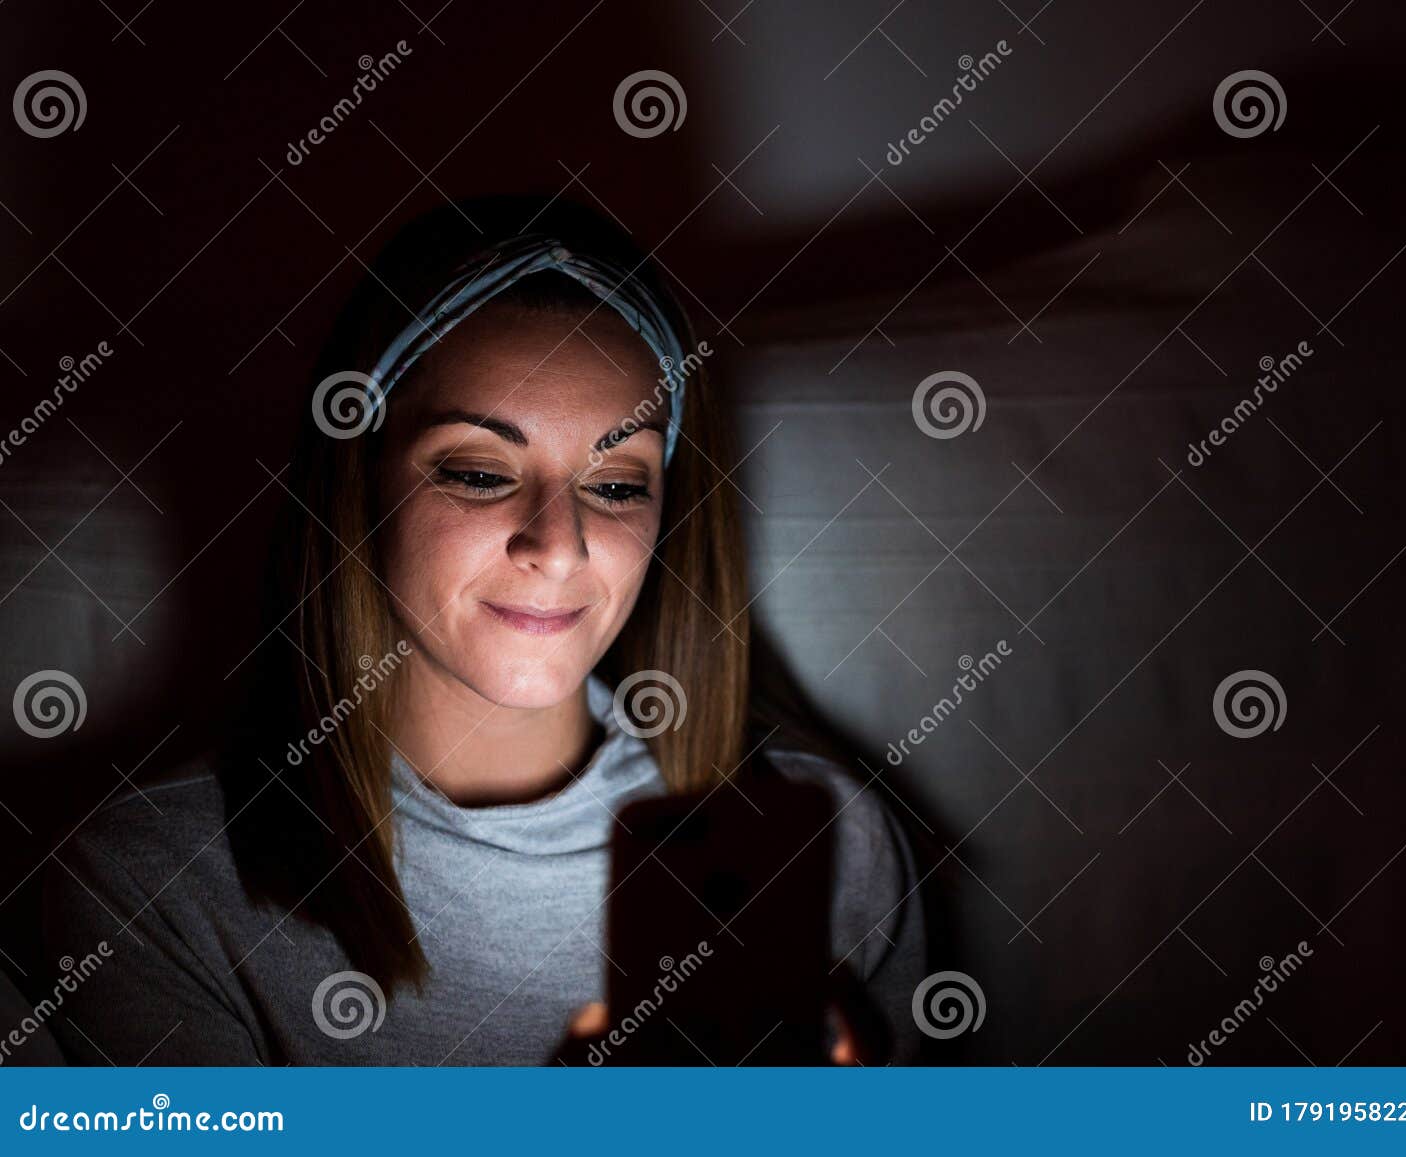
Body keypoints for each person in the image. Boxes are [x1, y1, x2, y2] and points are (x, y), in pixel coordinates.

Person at [40, 194, 926, 1065]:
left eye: (616, 484)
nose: (558, 544)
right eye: (476, 471)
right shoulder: (155, 887)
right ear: (360, 479)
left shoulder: (825, 844)